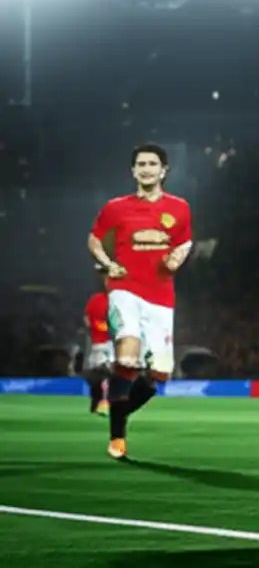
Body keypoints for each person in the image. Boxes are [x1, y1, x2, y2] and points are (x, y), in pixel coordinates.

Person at [87, 144, 193, 459]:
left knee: (160, 372)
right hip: (125, 289)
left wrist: (178, 257)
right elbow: (94, 239)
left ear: (164, 170)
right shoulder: (115, 208)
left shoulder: (179, 208)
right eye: (141, 164)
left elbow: (185, 241)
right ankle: (117, 438)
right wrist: (108, 264)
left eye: (152, 163)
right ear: (133, 171)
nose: (146, 169)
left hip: (161, 296)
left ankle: (120, 412)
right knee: (128, 357)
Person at [83, 272, 113, 416]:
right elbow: (87, 319)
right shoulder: (97, 300)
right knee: (97, 374)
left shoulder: (121, 300)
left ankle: (104, 403)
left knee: (107, 374)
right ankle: (98, 403)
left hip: (115, 344)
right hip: (99, 343)